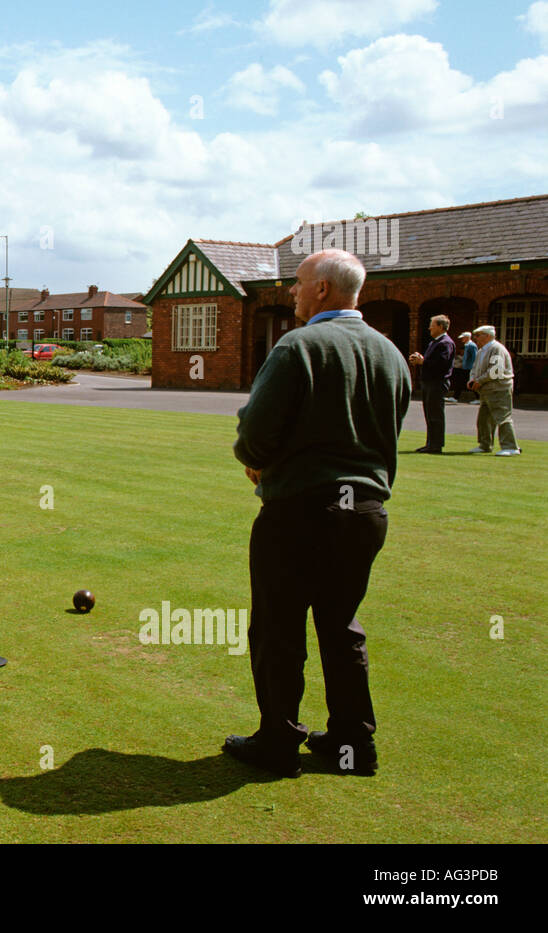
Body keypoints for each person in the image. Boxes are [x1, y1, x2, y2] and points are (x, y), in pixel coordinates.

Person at [226, 249, 411, 778]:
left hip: (302, 509)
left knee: (278, 628)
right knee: (340, 625)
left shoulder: (298, 346)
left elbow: (255, 435)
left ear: (323, 290)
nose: (292, 291)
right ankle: (353, 746)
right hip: (366, 511)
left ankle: (279, 743)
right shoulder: (390, 353)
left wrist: (258, 465)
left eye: (299, 282)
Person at [467, 326, 520, 456]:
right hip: (486, 390)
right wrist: (472, 379)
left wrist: (479, 380)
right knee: (484, 419)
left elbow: (496, 370)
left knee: (502, 417)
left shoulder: (496, 348)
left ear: (487, 335)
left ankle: (511, 447)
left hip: (498, 388)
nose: (476, 338)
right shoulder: (481, 351)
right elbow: (475, 368)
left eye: (478, 335)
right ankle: (485, 445)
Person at [408, 315, 454, 453]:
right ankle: (430, 443)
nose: (429, 328)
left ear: (440, 327)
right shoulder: (434, 342)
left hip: (437, 382)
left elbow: (442, 365)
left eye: (432, 325)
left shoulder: (445, 343)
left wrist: (423, 362)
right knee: (429, 414)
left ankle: (436, 445)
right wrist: (421, 359)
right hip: (429, 382)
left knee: (435, 414)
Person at [448, 331, 477, 403]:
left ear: (467, 337)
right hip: (465, 367)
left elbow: (475, 357)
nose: (462, 339)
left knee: (469, 383)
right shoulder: (467, 345)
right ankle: (455, 397)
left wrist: (474, 366)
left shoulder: (471, 345)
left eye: (463, 338)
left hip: (469, 368)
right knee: (460, 382)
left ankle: (478, 398)